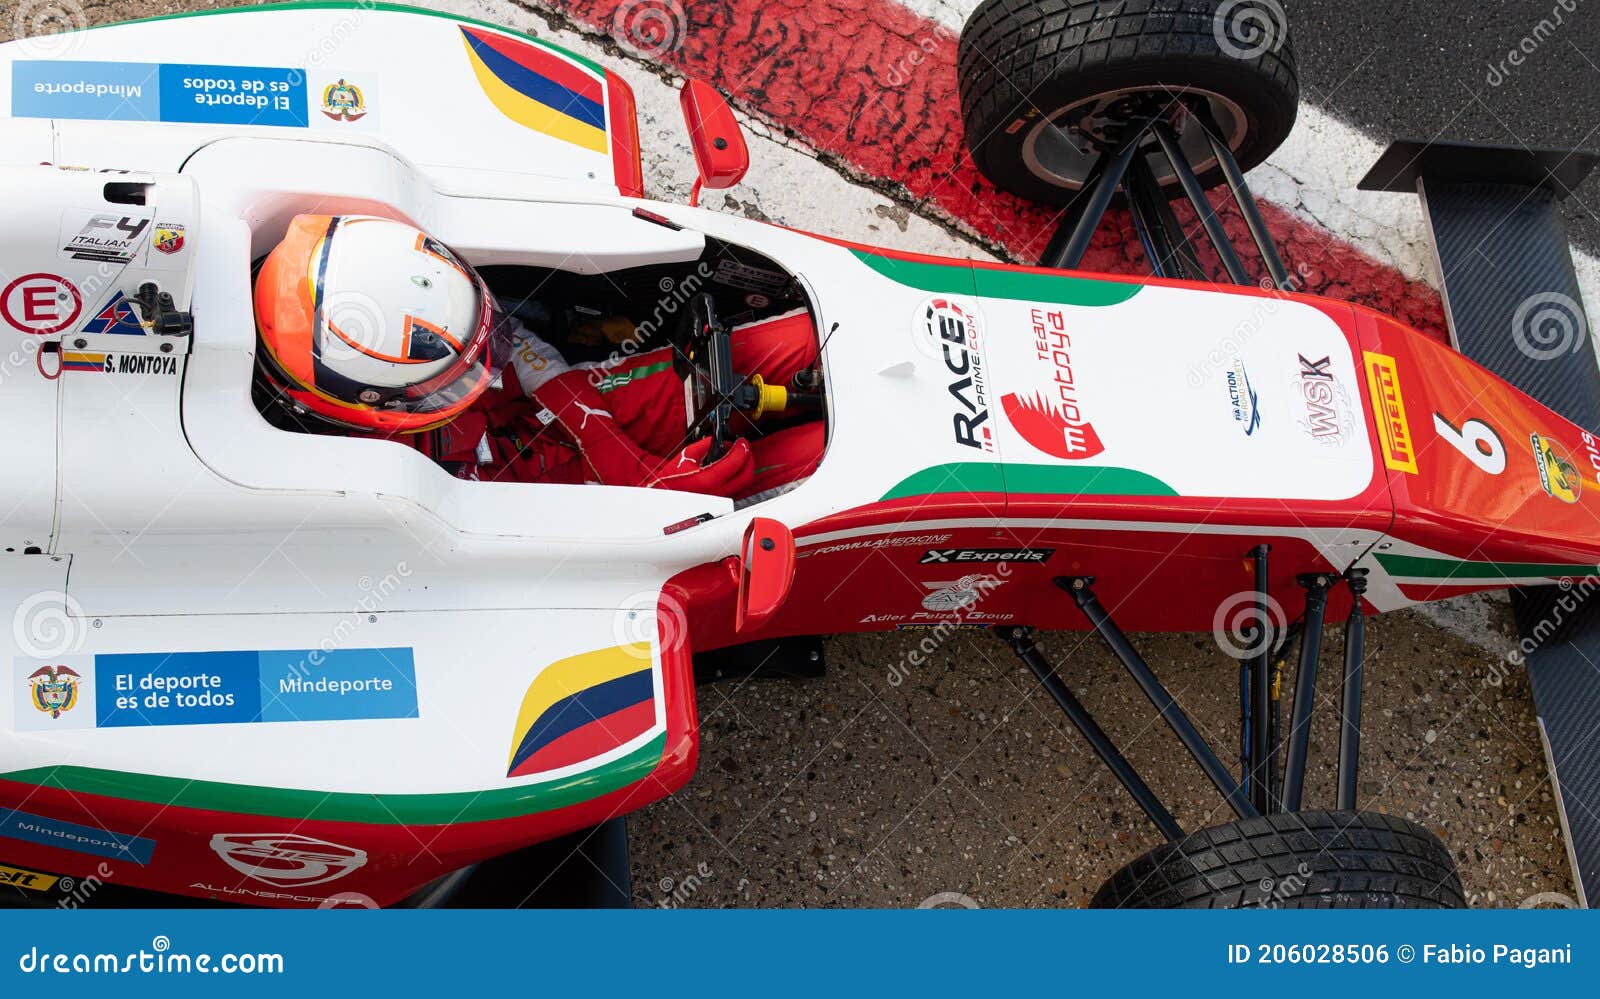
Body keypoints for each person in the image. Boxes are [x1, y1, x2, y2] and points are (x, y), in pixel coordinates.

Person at [253, 213, 823, 500]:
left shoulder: (410, 293)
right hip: (622, 500)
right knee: (823, 460)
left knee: (809, 336)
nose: (483, 373)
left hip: (622, 400)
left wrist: (586, 420)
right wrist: (652, 505)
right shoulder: (362, 490)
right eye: (454, 381)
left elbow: (516, 338)